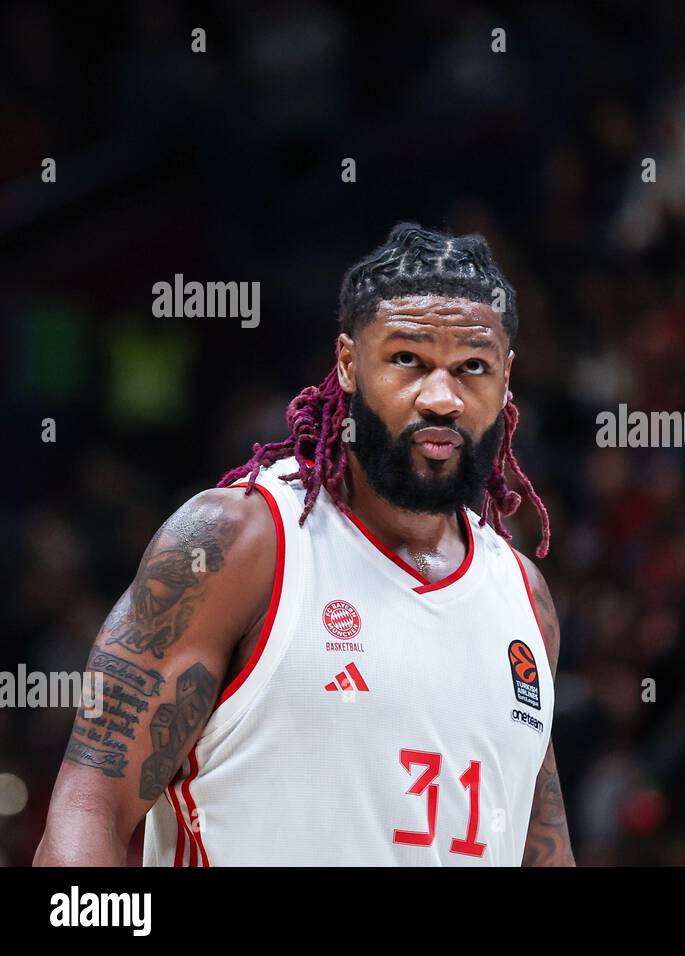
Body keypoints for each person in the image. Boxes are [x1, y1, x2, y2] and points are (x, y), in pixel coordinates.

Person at [34, 223, 575, 866]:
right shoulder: (239, 543)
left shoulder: (524, 601)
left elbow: (541, 850)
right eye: (408, 360)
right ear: (348, 363)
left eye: (473, 368)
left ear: (507, 377)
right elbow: (87, 811)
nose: (440, 398)